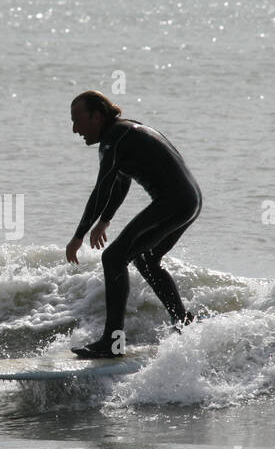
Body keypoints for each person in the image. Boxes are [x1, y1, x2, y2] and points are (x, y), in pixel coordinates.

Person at [66, 91, 202, 358]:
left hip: (173, 202)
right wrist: (104, 220)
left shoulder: (113, 139)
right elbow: (121, 180)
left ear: (97, 116)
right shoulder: (123, 132)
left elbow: (102, 188)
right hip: (189, 201)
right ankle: (184, 322)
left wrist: (78, 236)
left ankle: (112, 342)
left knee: (113, 258)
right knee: (146, 259)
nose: (74, 129)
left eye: (77, 121)